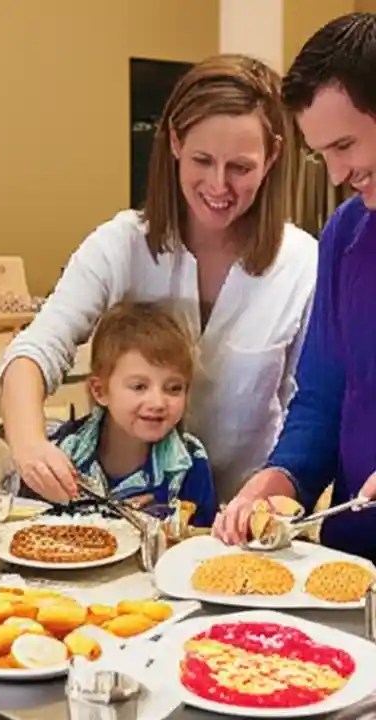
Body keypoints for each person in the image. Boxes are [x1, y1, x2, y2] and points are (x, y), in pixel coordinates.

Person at [0, 54, 318, 505]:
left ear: (273, 157)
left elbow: (315, 407)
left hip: (243, 513)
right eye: (202, 160)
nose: (219, 185)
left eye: (240, 168)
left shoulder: (302, 263)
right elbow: (35, 351)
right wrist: (29, 444)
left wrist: (273, 492)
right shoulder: (121, 245)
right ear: (175, 143)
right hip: (127, 513)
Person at [213, 13, 376, 557]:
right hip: (354, 559)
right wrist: (281, 478)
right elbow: (323, 400)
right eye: (321, 152)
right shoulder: (346, 235)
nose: (336, 174)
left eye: (345, 145)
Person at [46, 301, 217, 527]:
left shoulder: (191, 464)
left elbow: (203, 542)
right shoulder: (62, 452)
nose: (158, 403)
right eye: (139, 387)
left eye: (173, 388)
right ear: (100, 391)